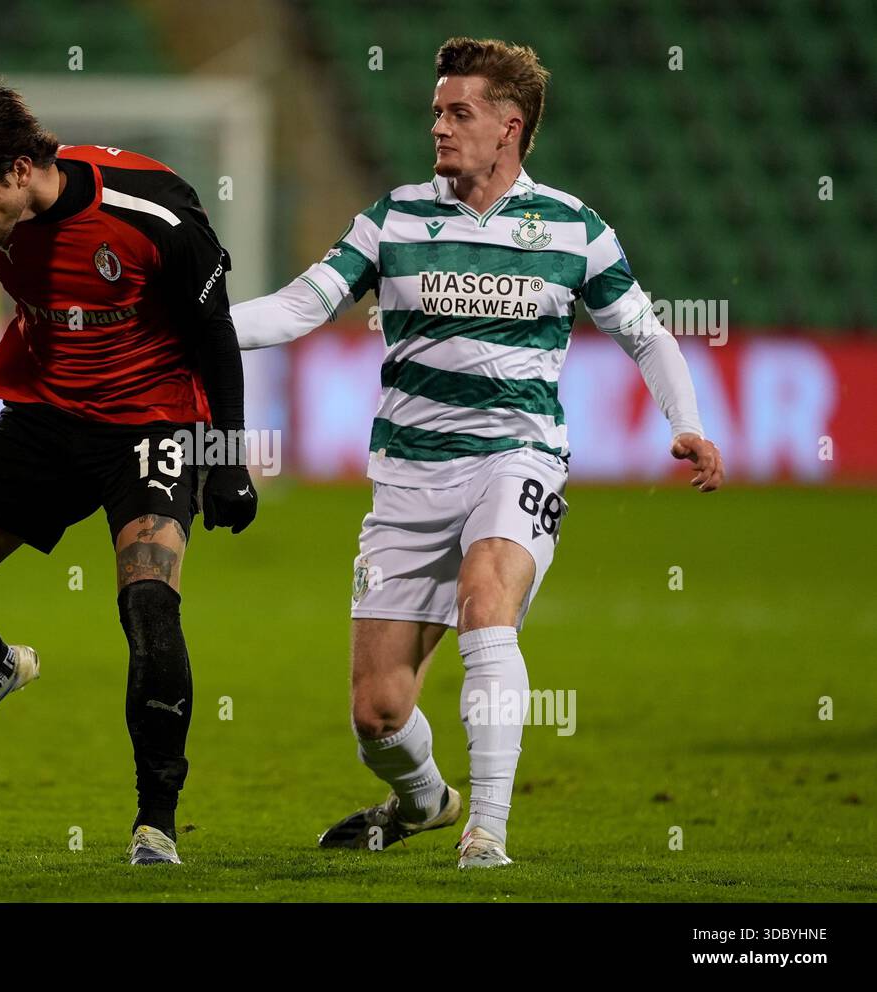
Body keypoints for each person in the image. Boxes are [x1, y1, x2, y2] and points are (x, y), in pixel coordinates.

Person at [230, 38, 724, 868]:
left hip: (518, 455)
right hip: (408, 478)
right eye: (435, 112)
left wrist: (688, 419)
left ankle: (485, 831)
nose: (439, 127)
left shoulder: (574, 228)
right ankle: (426, 800)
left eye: (459, 112)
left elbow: (644, 334)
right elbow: (296, 308)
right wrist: (194, 328)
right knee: (378, 716)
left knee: (487, 600)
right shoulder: (393, 218)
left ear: (510, 126)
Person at [0, 80, 257, 865]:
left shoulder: (152, 213)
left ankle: (155, 821)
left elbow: (215, 332)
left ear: (23, 170)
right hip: (48, 420)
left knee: (150, 605)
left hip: (153, 423)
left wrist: (228, 459)